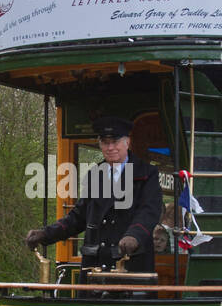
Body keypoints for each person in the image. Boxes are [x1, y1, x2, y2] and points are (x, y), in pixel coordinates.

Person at [25, 115, 163, 274]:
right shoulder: (95, 174)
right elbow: (78, 217)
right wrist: (46, 234)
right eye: (105, 143)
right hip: (95, 265)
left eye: (115, 142)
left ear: (127, 142)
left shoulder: (146, 174)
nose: (110, 148)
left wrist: (134, 236)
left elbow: (149, 211)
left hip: (130, 265)